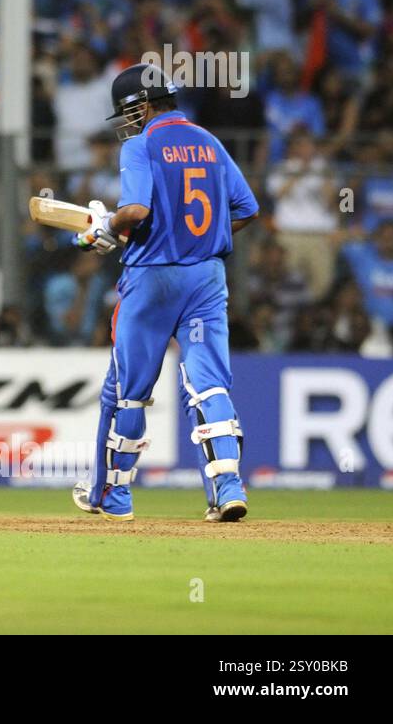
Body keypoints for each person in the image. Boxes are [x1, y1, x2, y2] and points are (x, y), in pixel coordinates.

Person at [71, 63, 259, 523]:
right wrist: (202, 238)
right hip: (207, 278)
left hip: (153, 278)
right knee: (208, 382)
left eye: (128, 114)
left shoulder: (142, 144)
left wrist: (107, 228)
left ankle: (113, 497)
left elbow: (134, 209)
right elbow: (248, 208)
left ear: (142, 106)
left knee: (128, 391)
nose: (127, 125)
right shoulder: (210, 142)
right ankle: (228, 487)